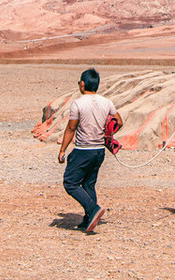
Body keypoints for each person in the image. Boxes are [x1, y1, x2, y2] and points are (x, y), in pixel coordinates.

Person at [57, 68, 122, 234]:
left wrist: (62, 150)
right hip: (99, 150)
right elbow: (119, 122)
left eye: (79, 82)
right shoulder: (106, 102)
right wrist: (108, 134)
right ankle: (88, 219)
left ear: (83, 84)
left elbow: (71, 128)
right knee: (88, 183)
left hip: (83, 149)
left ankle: (93, 209)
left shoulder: (78, 103)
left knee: (70, 182)